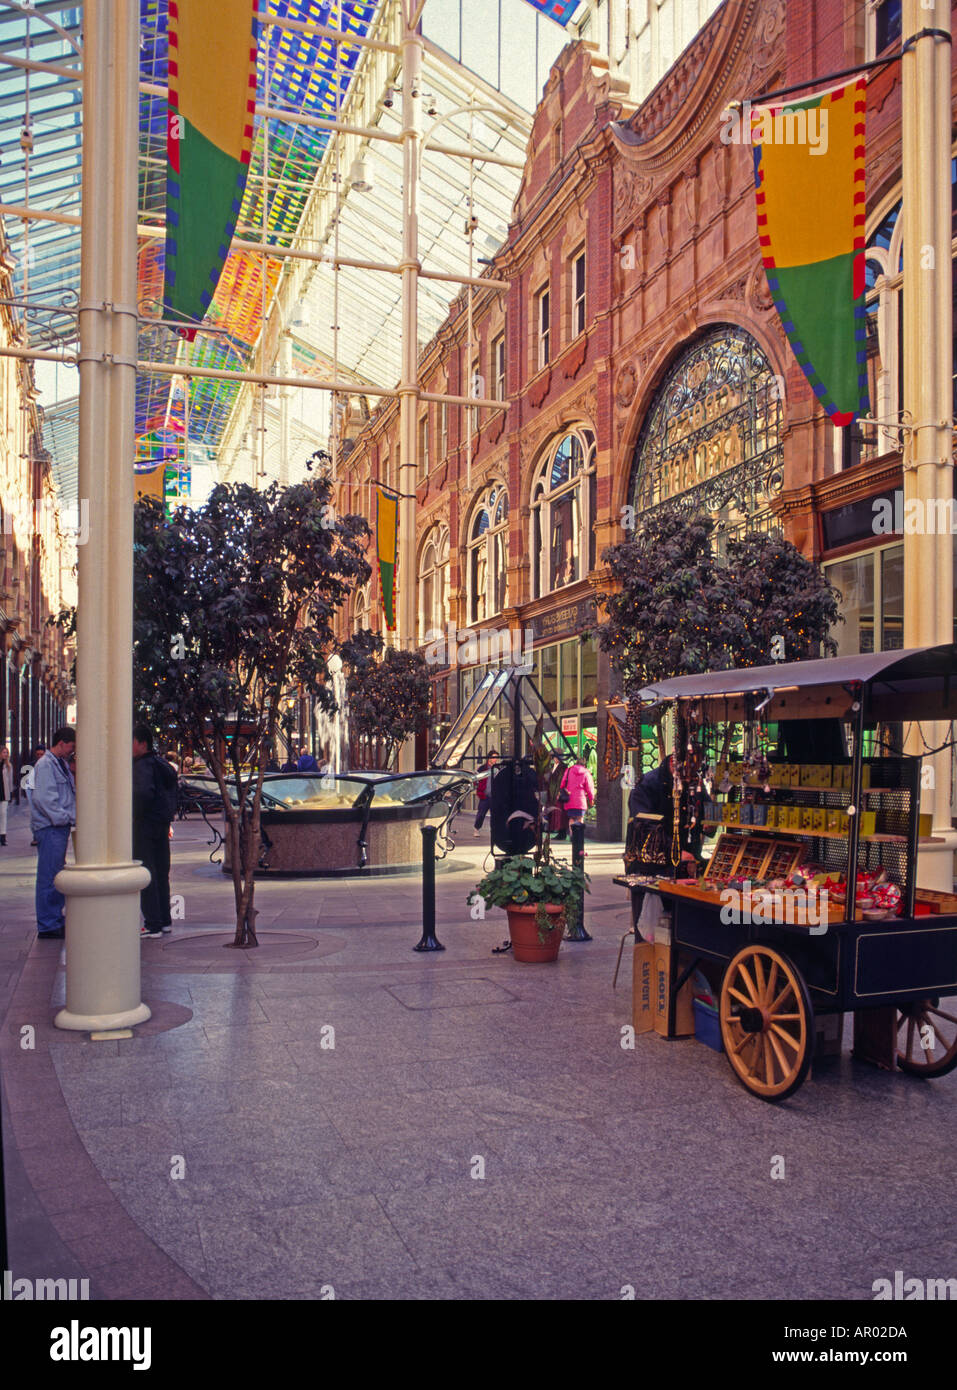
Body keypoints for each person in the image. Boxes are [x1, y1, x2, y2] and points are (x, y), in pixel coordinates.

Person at [133, 724, 179, 939]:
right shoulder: (162, 764)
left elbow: (142, 793)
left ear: (142, 743)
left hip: (145, 825)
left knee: (147, 872)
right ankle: (164, 920)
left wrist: (134, 814)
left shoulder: (142, 766)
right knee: (161, 872)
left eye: (131, 742)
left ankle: (153, 923)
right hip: (161, 823)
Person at [31, 727, 76, 939]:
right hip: (51, 828)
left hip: (57, 827)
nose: (72, 750)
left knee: (55, 874)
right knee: (49, 876)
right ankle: (48, 923)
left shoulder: (60, 764)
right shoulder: (46, 765)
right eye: (71, 746)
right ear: (62, 742)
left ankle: (54, 919)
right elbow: (44, 798)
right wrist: (63, 818)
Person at [559, 755, 595, 830]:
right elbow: (590, 787)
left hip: (569, 799)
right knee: (580, 818)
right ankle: (579, 836)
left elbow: (562, 784)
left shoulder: (568, 770)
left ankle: (573, 836)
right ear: (584, 764)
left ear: (576, 763)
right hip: (580, 801)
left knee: (571, 819)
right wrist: (591, 799)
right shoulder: (586, 772)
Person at [20, 744, 46, 846]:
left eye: (41, 754)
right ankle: (36, 837)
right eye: (38, 754)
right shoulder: (31, 766)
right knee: (34, 816)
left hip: (44, 794)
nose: (39, 756)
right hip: (33, 792)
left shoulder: (48, 765)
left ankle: (42, 836)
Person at [473, 750, 498, 835]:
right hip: (484, 796)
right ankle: (476, 829)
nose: (495, 759)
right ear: (489, 758)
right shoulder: (482, 768)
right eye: (494, 757)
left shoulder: (497, 768)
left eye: (496, 758)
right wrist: (479, 791)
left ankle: (494, 831)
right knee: (481, 814)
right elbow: (476, 780)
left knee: (494, 815)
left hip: (494, 796)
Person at [0, 744, 12, 845]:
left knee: (3, 814)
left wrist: (11, 793)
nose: (6, 754)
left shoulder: (8, 766)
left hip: (4, 794)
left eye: (7, 752)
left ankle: (3, 837)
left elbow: (10, 781)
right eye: (4, 752)